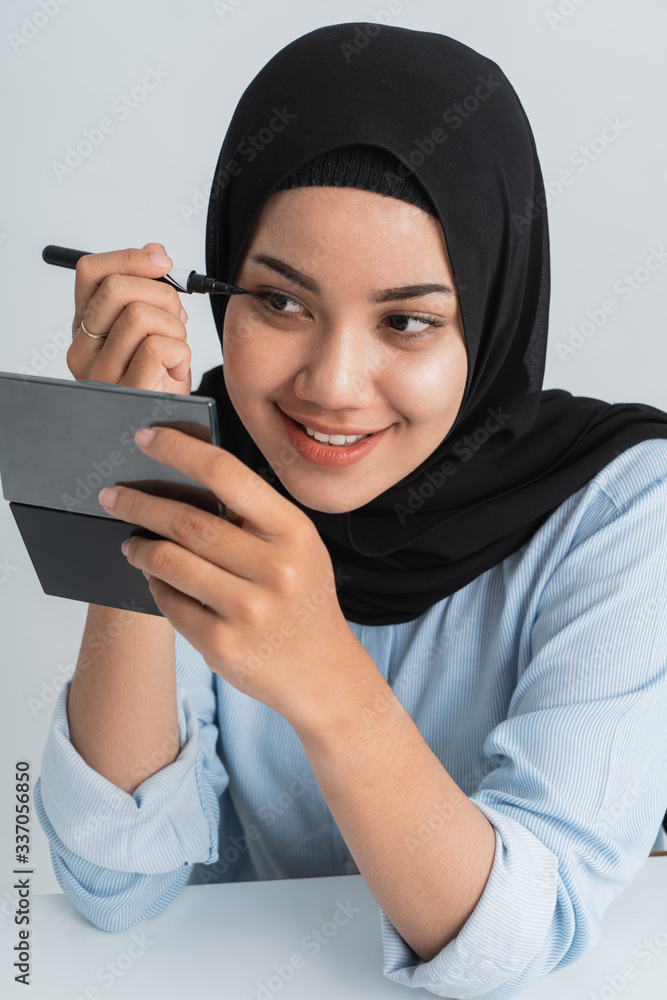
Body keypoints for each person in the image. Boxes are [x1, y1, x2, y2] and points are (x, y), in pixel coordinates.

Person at [35, 22, 667, 999]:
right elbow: (115, 887)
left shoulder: (626, 507)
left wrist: (322, 674)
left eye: (406, 321)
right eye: (280, 304)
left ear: (492, 315)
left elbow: (520, 933)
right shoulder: (203, 454)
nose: (330, 385)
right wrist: (123, 459)